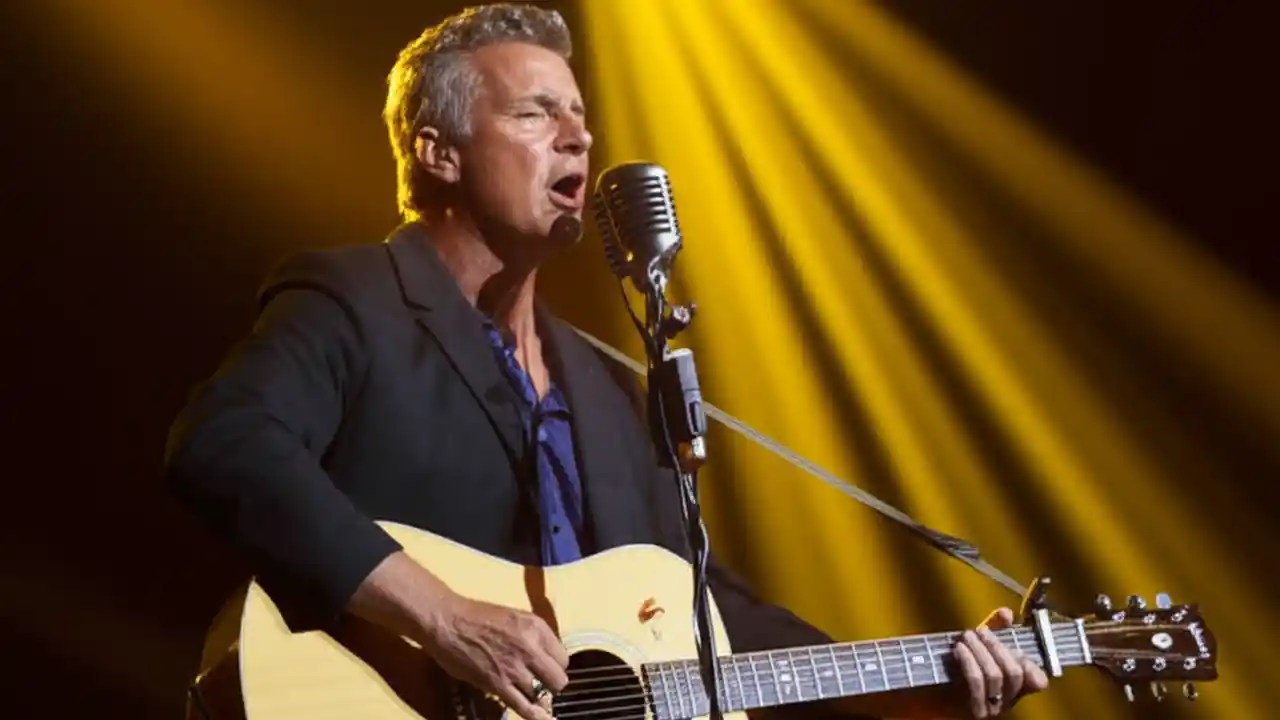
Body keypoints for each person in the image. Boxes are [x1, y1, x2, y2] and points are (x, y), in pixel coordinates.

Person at [165, 3, 1048, 719]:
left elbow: (711, 617)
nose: (578, 139)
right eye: (535, 113)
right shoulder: (357, 297)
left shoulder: (607, 387)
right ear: (438, 152)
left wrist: (926, 681)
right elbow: (225, 443)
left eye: (580, 115)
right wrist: (444, 620)